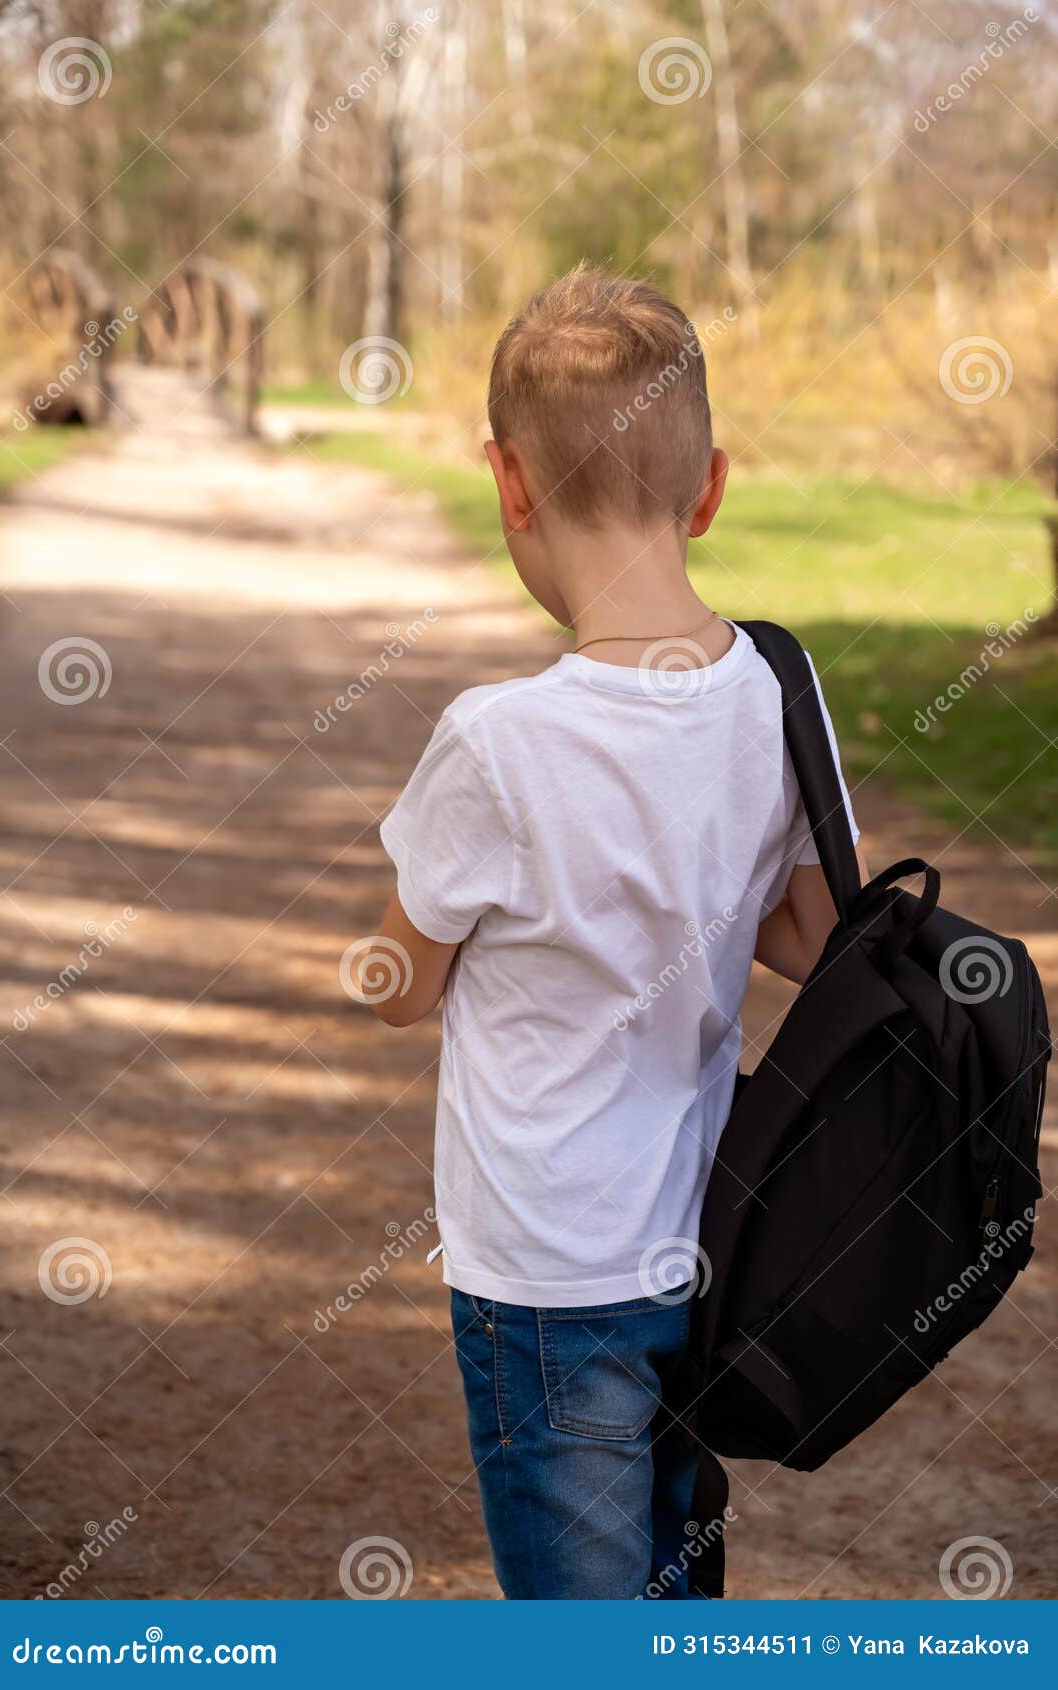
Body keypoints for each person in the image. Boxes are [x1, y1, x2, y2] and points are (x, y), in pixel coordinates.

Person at [363, 266, 861, 1599]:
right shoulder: (774, 695)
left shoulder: (496, 739)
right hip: (703, 1239)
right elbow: (818, 940)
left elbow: (399, 987)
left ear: (508, 484)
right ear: (708, 491)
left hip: (543, 1269)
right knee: (669, 1584)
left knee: (578, 1624)